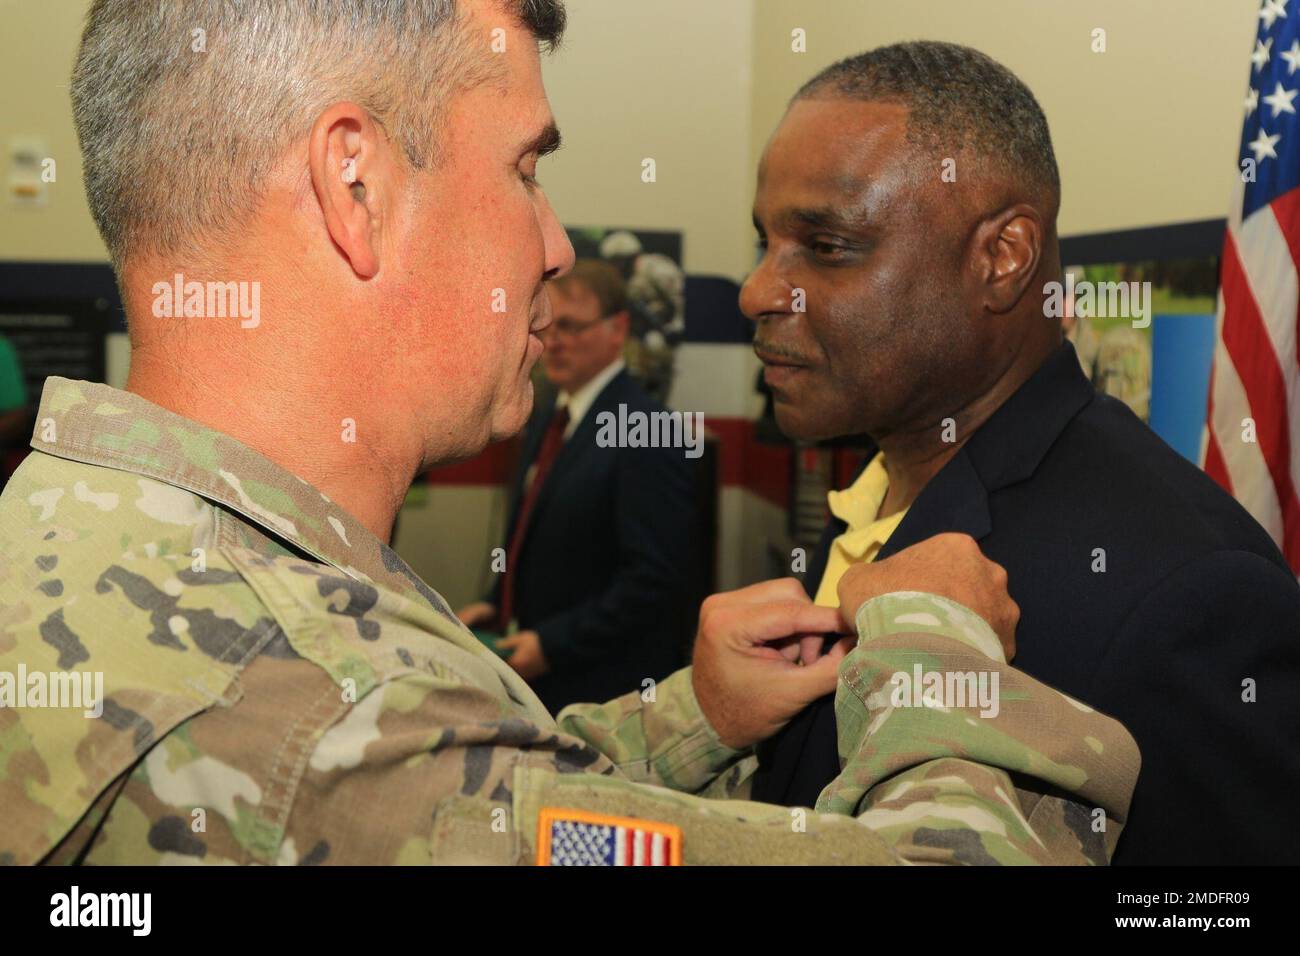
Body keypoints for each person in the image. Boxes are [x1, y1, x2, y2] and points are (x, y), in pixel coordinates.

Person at [0, 1, 1138, 866]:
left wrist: (690, 719)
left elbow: (490, 810)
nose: (552, 241)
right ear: (354, 185)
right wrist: (935, 635)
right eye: (526, 166)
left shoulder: (79, 529)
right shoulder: (310, 694)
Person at [742, 40, 1300, 864]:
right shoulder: (887, 489)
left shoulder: (1188, 589)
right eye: (766, 242)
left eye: (826, 247)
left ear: (1002, 259)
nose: (758, 290)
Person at [458, 260, 696, 714]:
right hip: (545, 683)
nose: (556, 343)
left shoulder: (645, 428)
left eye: (572, 327)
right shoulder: (550, 417)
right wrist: (496, 603)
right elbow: (536, 537)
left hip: (608, 695)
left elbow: (652, 581)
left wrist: (552, 644)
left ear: (618, 328)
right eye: (548, 326)